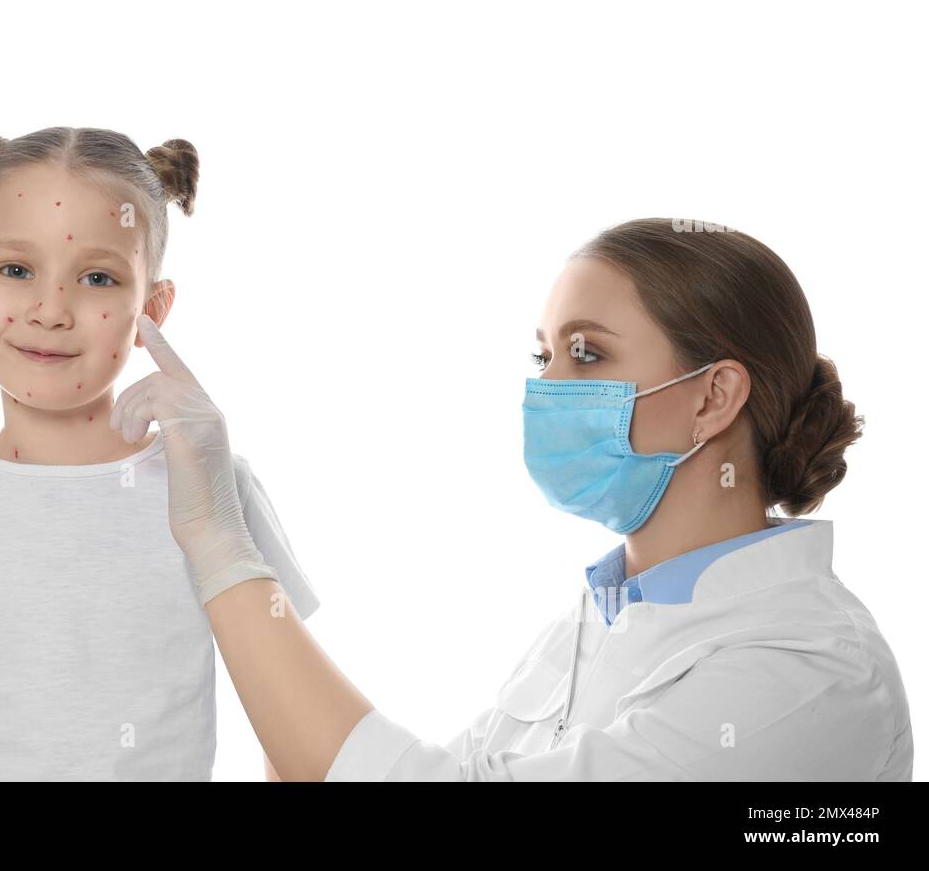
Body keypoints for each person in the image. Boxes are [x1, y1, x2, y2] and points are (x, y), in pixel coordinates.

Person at [110, 217, 913, 781]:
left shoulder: (814, 670)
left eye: (587, 354)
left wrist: (223, 549)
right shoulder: (588, 626)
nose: (547, 390)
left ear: (714, 397)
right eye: (544, 355)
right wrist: (245, 554)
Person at [0, 125, 318, 781]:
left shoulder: (211, 493)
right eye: (16, 270)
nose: (51, 310)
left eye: (97, 278)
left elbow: (289, 718)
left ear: (151, 308)